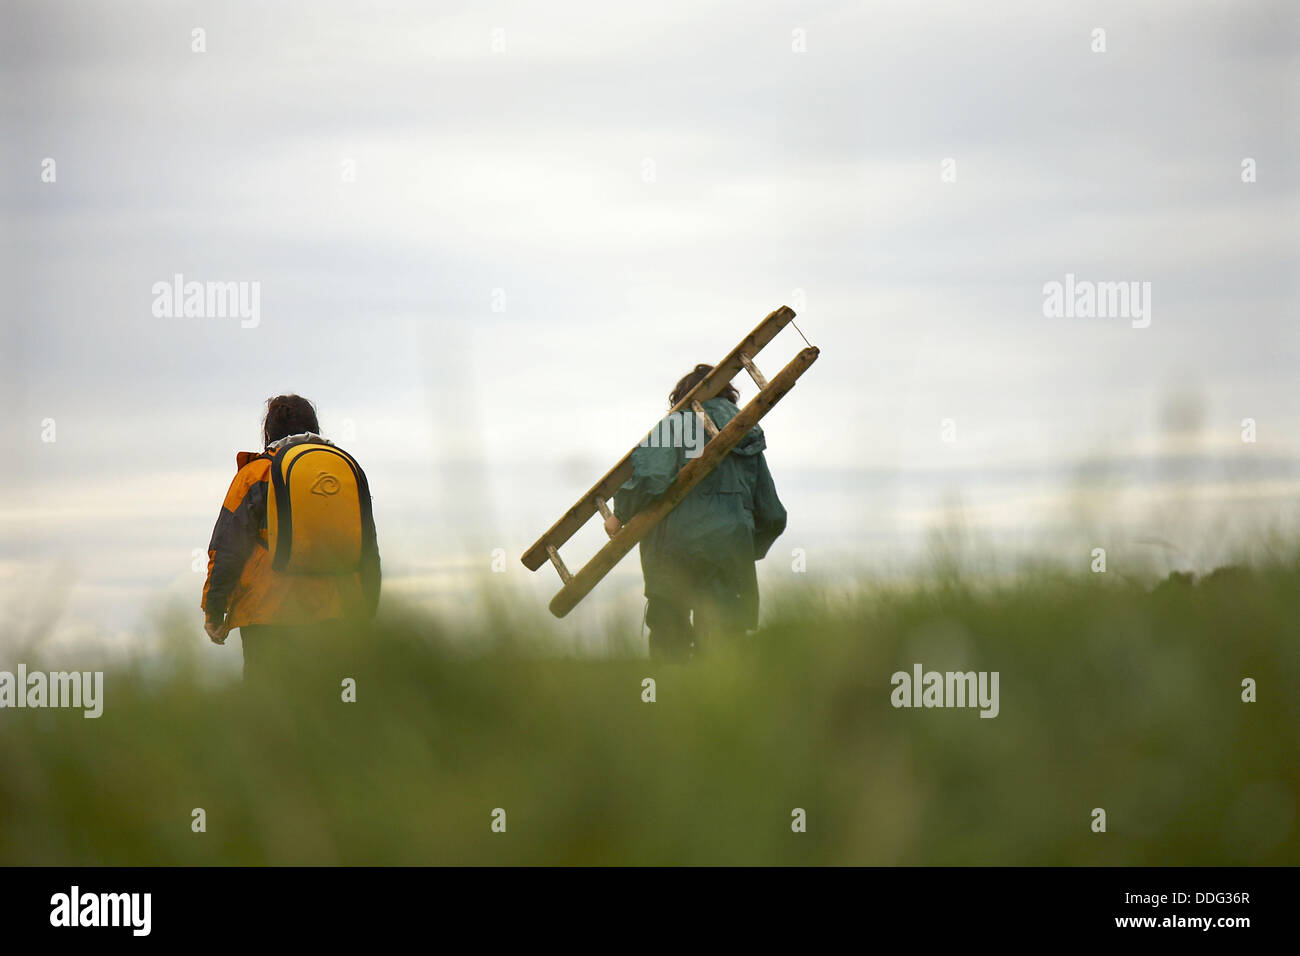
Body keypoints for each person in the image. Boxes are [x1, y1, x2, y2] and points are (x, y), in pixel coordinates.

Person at [607, 364, 787, 659]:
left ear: (682, 395)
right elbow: (774, 516)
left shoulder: (677, 422)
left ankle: (671, 700)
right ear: (728, 395)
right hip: (729, 553)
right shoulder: (747, 433)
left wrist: (619, 515)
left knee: (670, 642)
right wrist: (743, 547)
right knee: (724, 648)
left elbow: (652, 477)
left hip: (673, 553)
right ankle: (720, 703)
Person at [201, 395, 380, 679]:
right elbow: (366, 546)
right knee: (330, 711)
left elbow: (227, 550)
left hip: (267, 616)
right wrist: (367, 608)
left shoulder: (255, 474)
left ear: (268, 433)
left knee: (270, 710)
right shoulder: (346, 471)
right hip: (337, 615)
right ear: (315, 427)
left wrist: (214, 610)